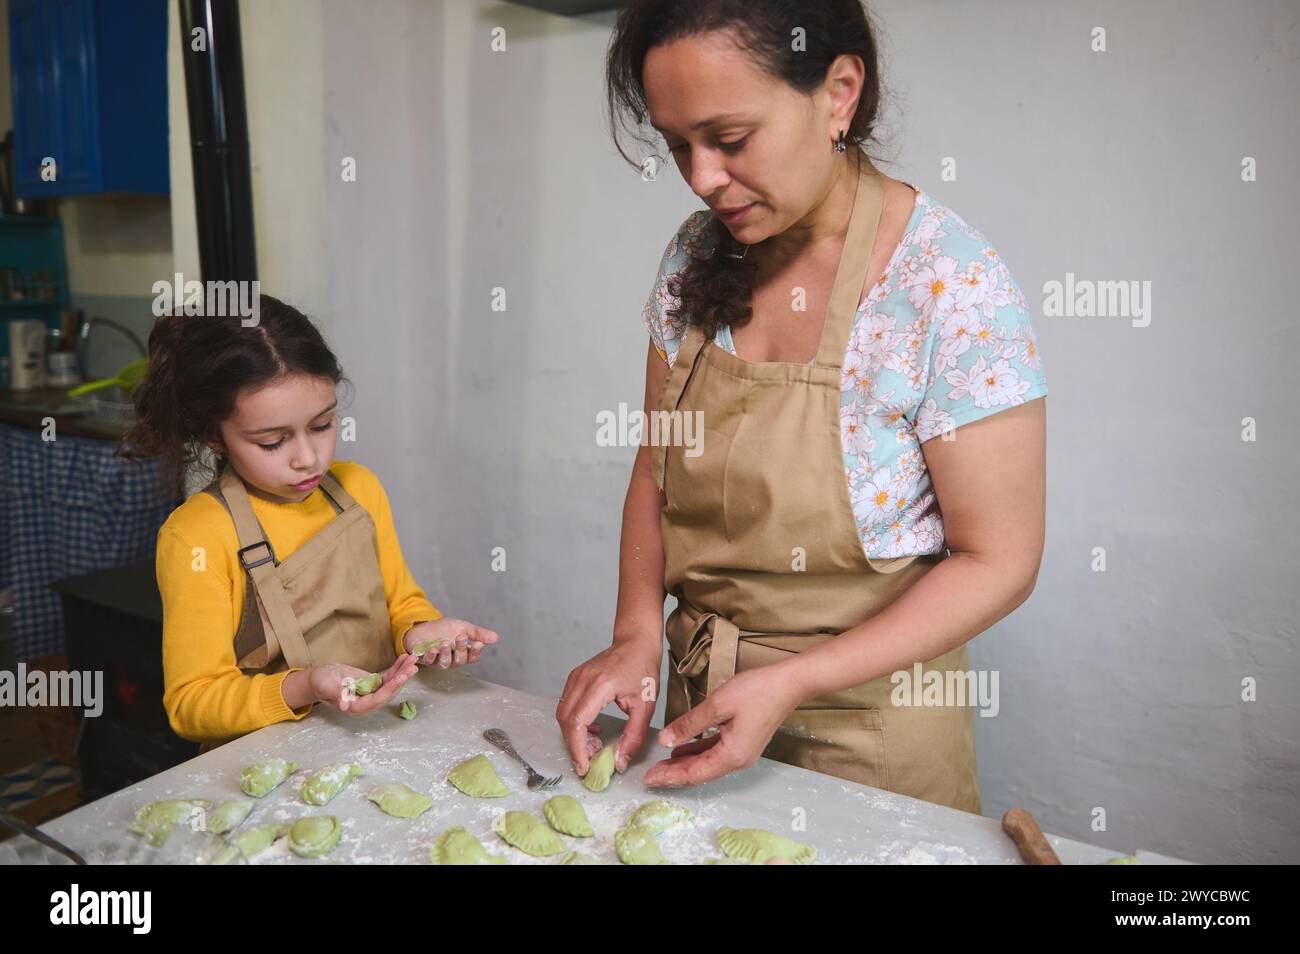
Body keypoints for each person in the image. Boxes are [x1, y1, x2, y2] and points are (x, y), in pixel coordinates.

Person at [557, 0, 1046, 813]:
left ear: (838, 93)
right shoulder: (694, 256)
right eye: (679, 145)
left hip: (873, 735)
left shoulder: (946, 283)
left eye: (730, 139)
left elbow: (1000, 560)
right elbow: (657, 463)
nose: (703, 176)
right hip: (700, 709)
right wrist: (637, 631)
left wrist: (796, 679)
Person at [122, 294, 499, 748]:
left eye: (322, 426)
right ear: (214, 438)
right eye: (272, 442)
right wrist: (306, 686)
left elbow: (401, 605)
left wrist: (422, 634)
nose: (308, 459)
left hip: (377, 735)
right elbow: (191, 704)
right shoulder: (197, 535)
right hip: (266, 760)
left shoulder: (359, 490)